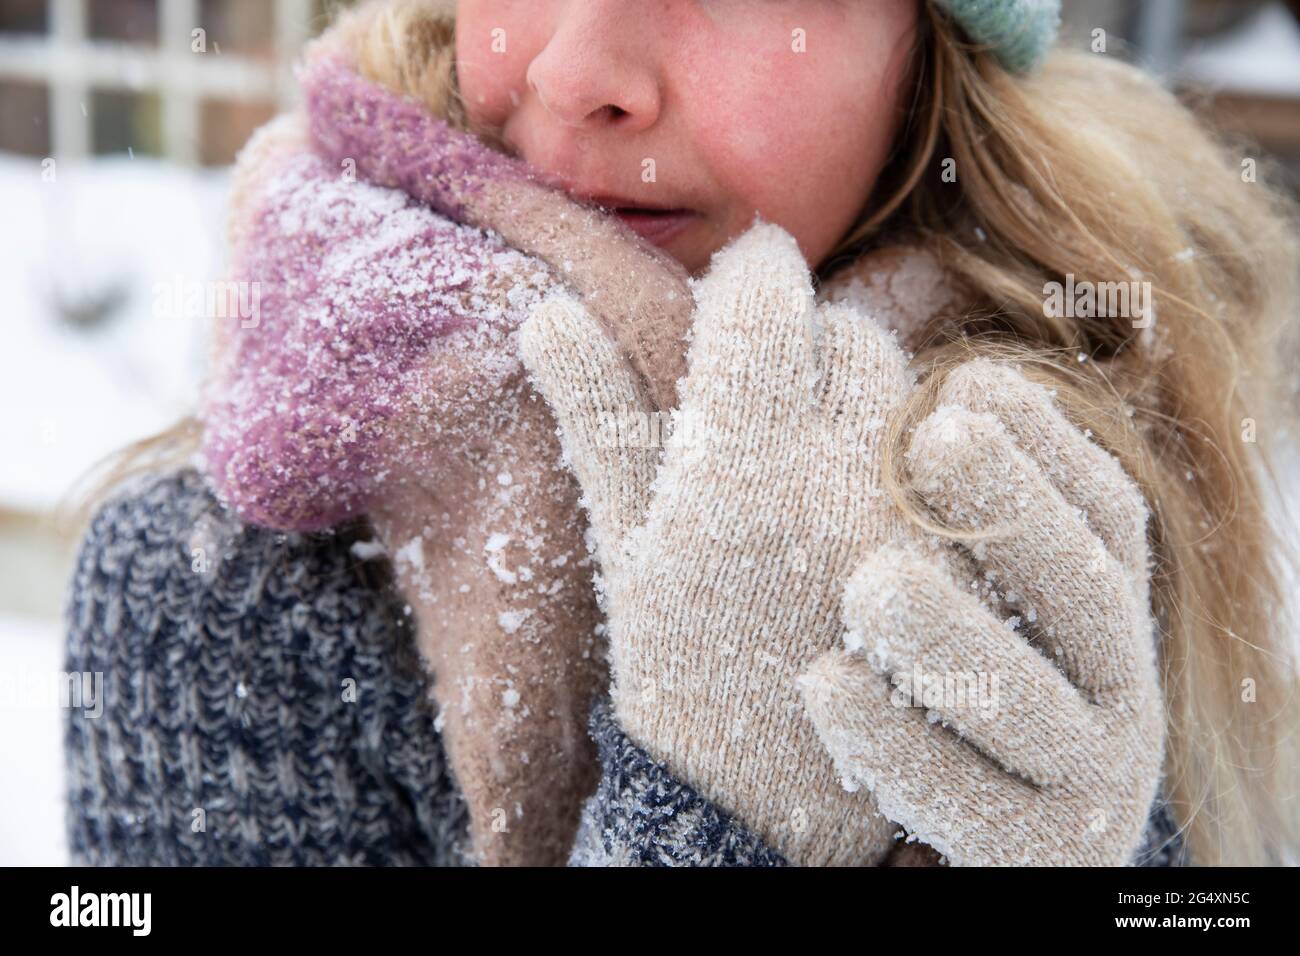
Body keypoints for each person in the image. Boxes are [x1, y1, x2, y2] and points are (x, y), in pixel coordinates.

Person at [65, 0, 1300, 866]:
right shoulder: (219, 584)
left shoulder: (1093, 445)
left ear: (931, 57)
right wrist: (715, 817)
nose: (575, 73)